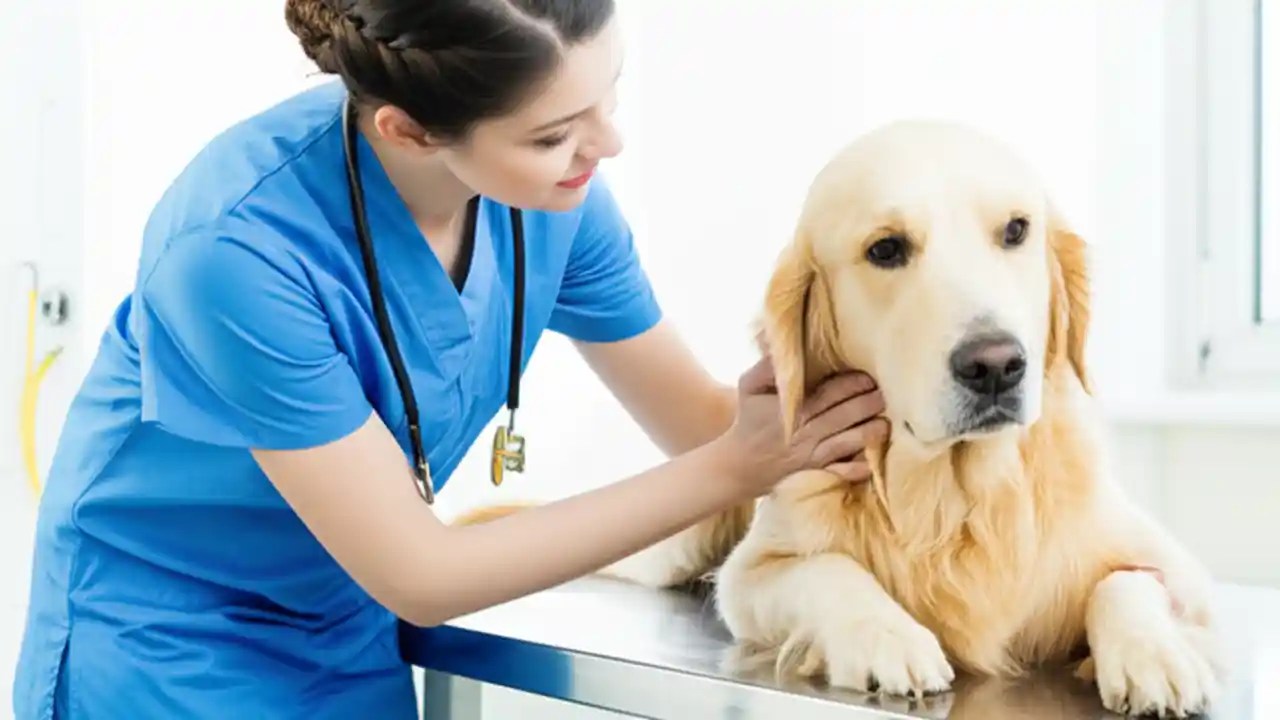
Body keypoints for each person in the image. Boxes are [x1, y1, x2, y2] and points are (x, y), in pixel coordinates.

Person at [12, 1, 890, 718]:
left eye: (607, 99)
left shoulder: (557, 198)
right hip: (167, 641)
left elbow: (702, 425)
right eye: (553, 133)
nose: (604, 146)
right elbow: (422, 577)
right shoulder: (235, 249)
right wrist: (737, 464)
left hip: (350, 627)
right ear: (410, 131)